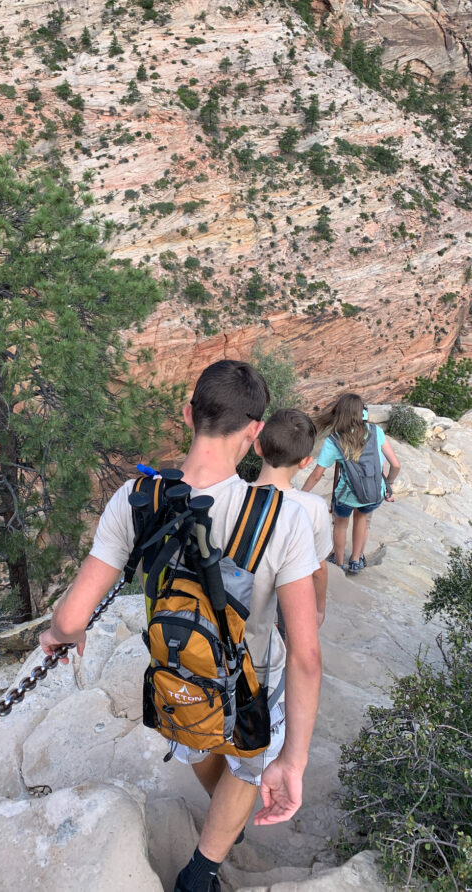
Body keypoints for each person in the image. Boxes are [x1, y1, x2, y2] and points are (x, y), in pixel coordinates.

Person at [39, 360, 322, 892]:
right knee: (247, 763)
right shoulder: (281, 515)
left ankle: (222, 821)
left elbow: (71, 618)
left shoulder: (137, 497)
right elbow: (306, 655)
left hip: (178, 671)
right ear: (256, 433)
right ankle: (202, 872)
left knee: (198, 737)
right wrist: (295, 759)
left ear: (188, 413)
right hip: (254, 681)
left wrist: (59, 635)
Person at [302, 393, 400, 575]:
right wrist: (389, 486)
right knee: (361, 518)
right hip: (373, 493)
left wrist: (301, 494)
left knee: (340, 525)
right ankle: (355, 560)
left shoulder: (334, 440)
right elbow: (396, 464)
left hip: (347, 495)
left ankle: (339, 563)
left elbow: (316, 475)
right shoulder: (375, 431)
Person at [254, 408, 332, 630]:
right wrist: (319, 609)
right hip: (289, 597)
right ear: (306, 461)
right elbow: (318, 570)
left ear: (257, 446)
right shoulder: (314, 507)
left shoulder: (238, 494)